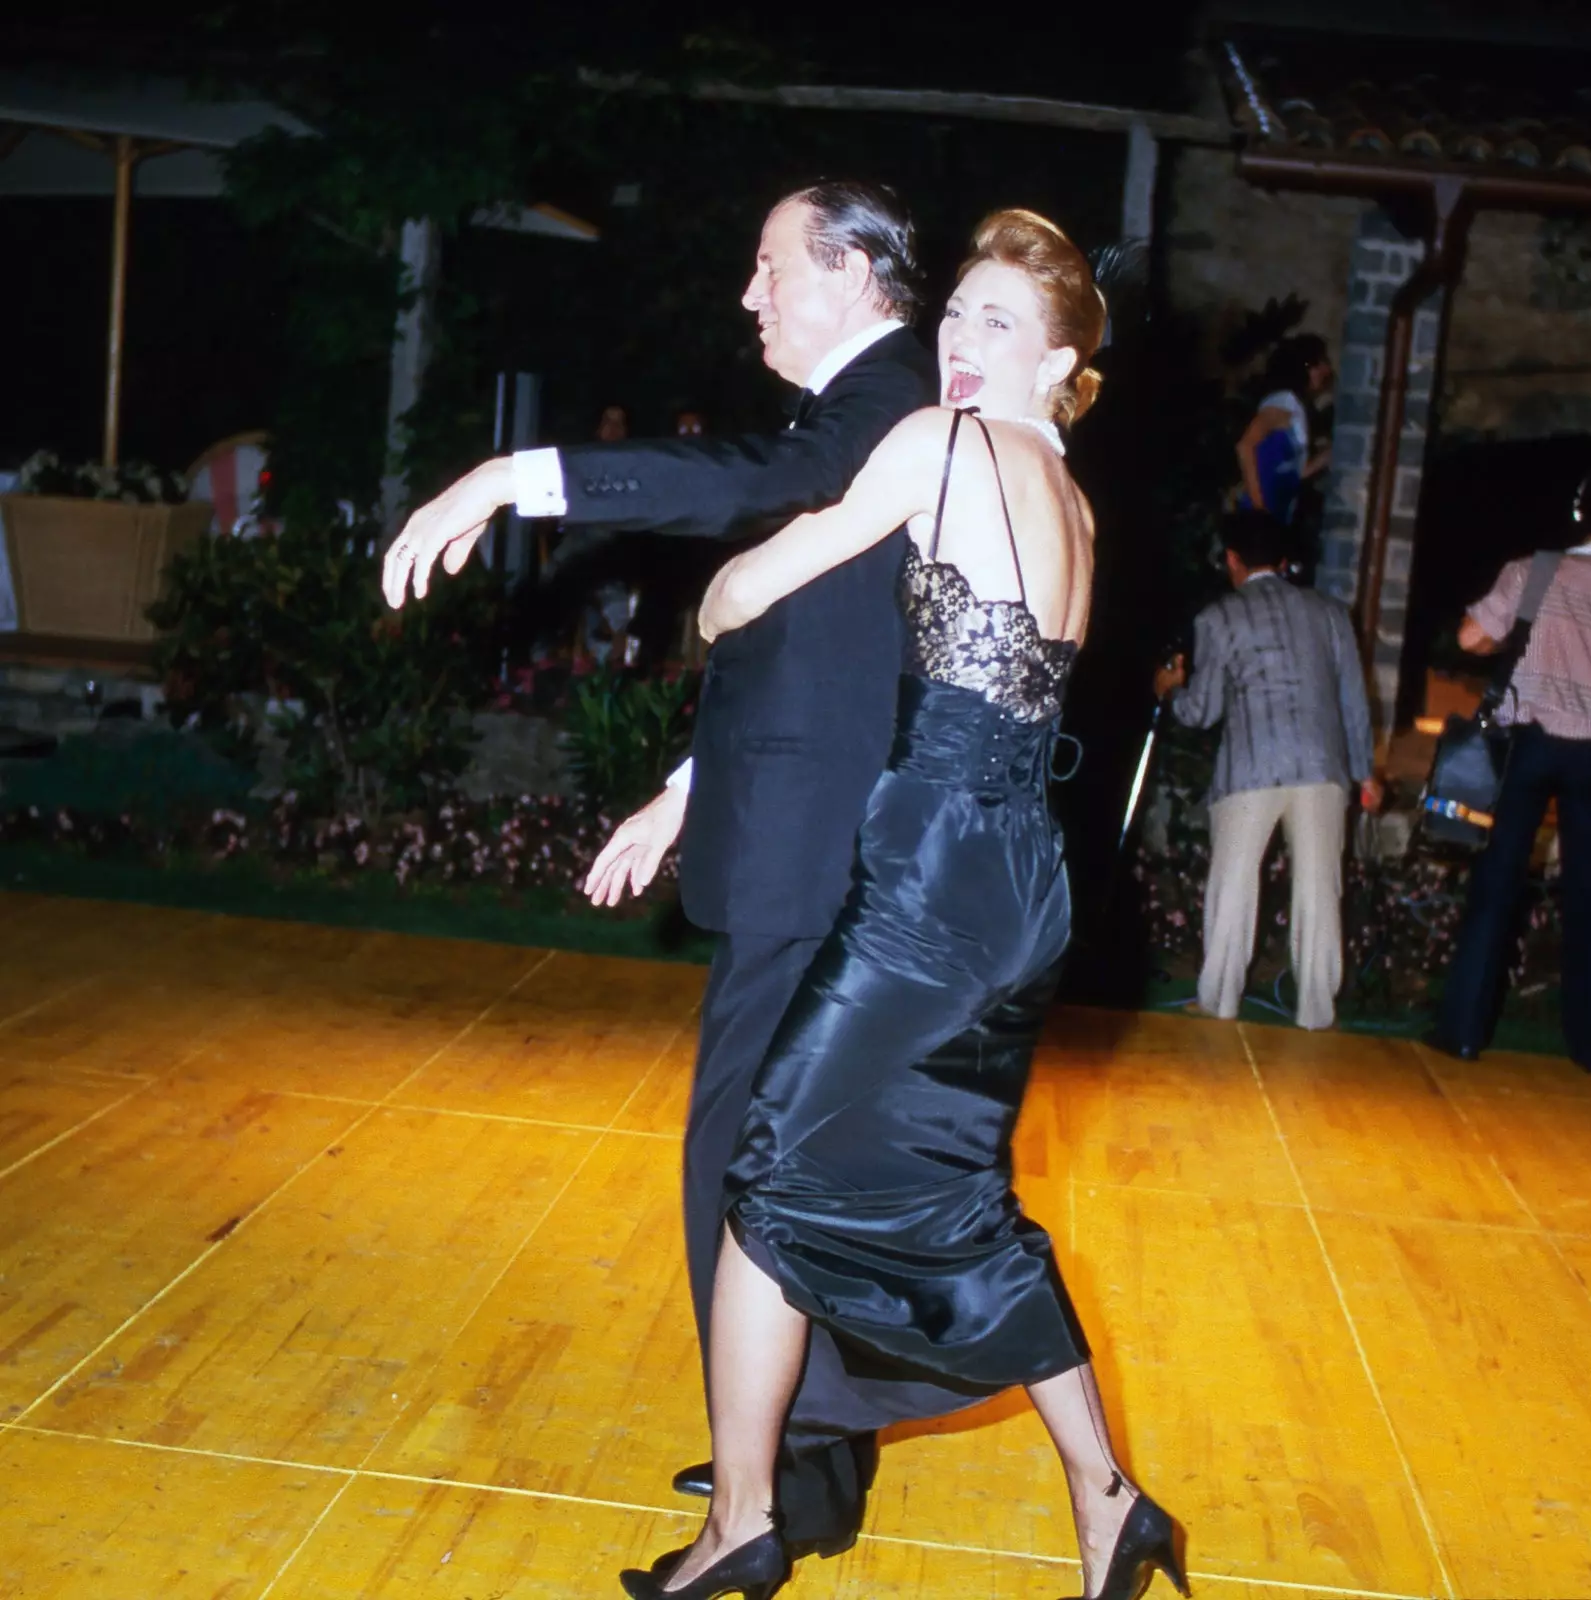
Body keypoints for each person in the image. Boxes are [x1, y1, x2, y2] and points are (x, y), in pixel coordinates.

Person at [619, 210, 1186, 1600]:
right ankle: (1108, 1501)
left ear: (1061, 360)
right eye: (954, 320)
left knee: (766, 1181)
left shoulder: (937, 445)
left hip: (933, 870)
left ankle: (745, 1522)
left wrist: (717, 599)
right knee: (953, 1196)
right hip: (1027, 880)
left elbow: (754, 584)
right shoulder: (1076, 501)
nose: (961, 345)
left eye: (998, 323)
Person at [384, 180, 938, 1563]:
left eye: (769, 267)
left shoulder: (889, 407)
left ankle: (792, 1470)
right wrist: (680, 796)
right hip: (792, 830)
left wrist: (518, 475)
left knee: (760, 1156)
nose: (747, 296)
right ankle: (786, 1453)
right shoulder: (856, 417)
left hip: (827, 852)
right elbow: (801, 645)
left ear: (862, 274)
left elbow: (746, 487)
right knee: (770, 1150)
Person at [1155, 510, 1378, 1031]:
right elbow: (1353, 702)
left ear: (1233, 559)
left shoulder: (1219, 617)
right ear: (1281, 560)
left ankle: (1220, 1001)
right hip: (1323, 769)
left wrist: (1169, 690)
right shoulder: (1329, 612)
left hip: (1251, 768)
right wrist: (1364, 772)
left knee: (1232, 886)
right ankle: (1316, 1012)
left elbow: (1201, 711)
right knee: (1321, 891)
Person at [1429, 467, 1591, 1074]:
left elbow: (1472, 637)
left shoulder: (1536, 571)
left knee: (1497, 884)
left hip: (1528, 742)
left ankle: (1465, 1034)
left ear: (1580, 510)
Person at [1234, 333, 1333, 525]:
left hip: (1278, 515)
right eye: (1316, 364)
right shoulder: (1283, 403)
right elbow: (1245, 446)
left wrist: (1326, 456)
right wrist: (1258, 509)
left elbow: (1297, 471)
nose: (1325, 369)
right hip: (1260, 519)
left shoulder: (1297, 408)